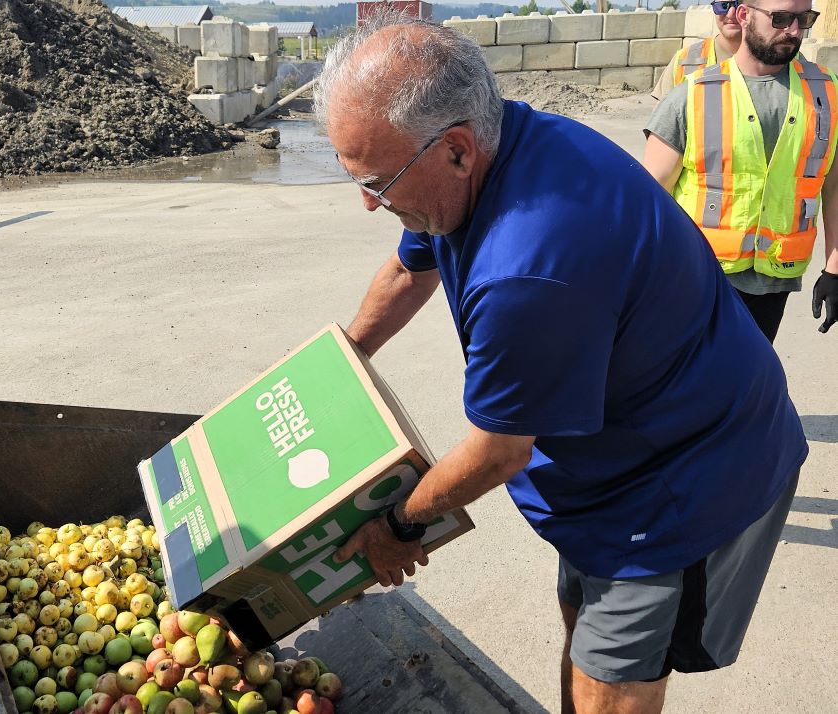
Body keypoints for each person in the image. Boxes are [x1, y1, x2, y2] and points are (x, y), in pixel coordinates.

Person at [314, 14, 808, 714]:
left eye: (378, 181)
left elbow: (498, 452)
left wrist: (398, 527)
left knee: (612, 672)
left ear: (456, 149)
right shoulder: (500, 143)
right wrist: (339, 361)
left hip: (677, 479)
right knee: (581, 629)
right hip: (605, 461)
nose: (369, 202)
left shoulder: (527, 268)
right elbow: (406, 270)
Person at [644, 0, 838, 343]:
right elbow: (647, 197)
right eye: (781, 18)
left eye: (803, 19)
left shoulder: (825, 93)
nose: (794, 30)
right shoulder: (693, 94)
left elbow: (834, 186)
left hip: (774, 280)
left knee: (747, 385)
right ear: (745, 16)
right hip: (697, 279)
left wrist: (835, 269)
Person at [652, 0, 742, 100]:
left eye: (740, 5)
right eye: (723, 6)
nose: (731, 13)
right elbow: (664, 113)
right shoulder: (684, 60)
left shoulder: (762, 59)